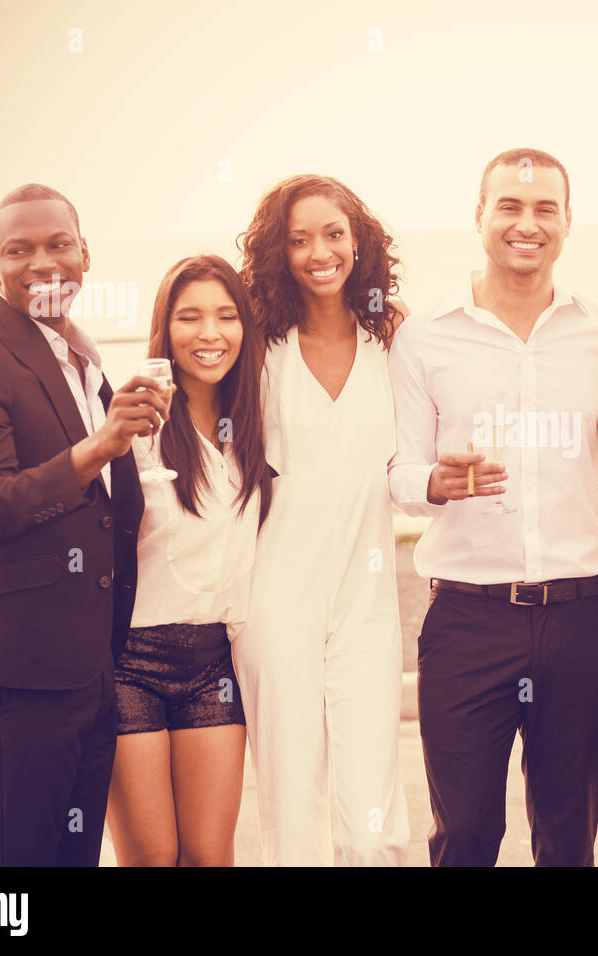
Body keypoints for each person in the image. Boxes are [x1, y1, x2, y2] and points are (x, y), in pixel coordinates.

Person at [388, 147, 598, 866]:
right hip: (466, 622)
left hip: (582, 616)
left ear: (569, 221)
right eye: (510, 207)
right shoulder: (423, 336)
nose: (528, 223)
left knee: (567, 840)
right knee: (464, 836)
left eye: (545, 208)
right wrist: (436, 482)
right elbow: (397, 471)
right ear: (480, 215)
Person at [0, 183, 165, 865]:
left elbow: (96, 513)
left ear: (84, 254)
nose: (42, 262)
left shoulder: (87, 365)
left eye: (57, 244)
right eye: (19, 249)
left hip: (88, 671)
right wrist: (98, 448)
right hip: (12, 674)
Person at [230, 174, 409, 866]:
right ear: (279, 251)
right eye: (298, 239)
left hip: (367, 605)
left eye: (334, 234)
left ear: (359, 241)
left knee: (372, 822)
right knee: (291, 811)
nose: (319, 253)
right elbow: (189, 449)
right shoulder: (257, 351)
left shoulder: (394, 345)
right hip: (274, 602)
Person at [104, 256, 271, 865]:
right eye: (190, 317)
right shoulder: (136, 419)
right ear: (164, 328)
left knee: (207, 854)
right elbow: (67, 494)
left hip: (212, 662)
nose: (210, 333)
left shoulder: (258, 422)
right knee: (151, 856)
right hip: (129, 663)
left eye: (227, 316)